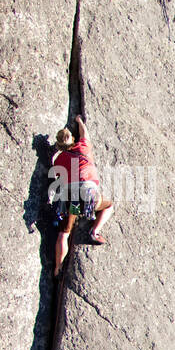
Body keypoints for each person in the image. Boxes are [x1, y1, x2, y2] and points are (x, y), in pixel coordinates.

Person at [50, 114, 113, 276]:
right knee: (109, 205)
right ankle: (94, 231)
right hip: (87, 191)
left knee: (63, 234)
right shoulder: (82, 147)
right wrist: (79, 121)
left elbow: (60, 180)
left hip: (70, 196)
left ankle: (57, 267)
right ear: (72, 139)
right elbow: (85, 134)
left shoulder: (58, 161)